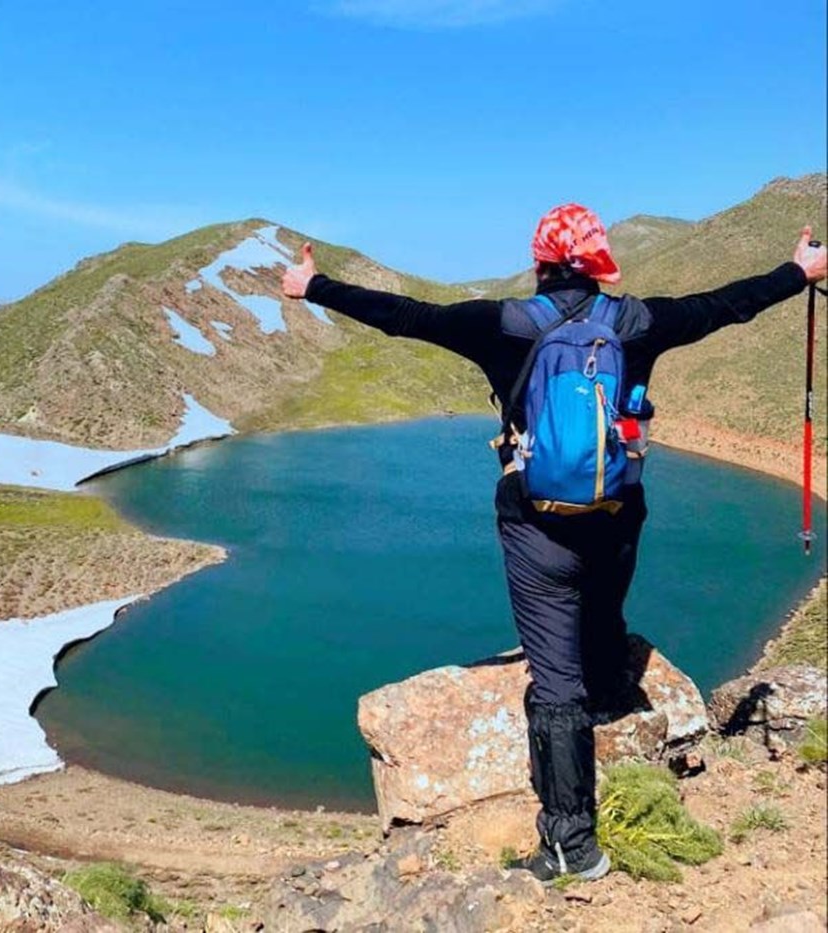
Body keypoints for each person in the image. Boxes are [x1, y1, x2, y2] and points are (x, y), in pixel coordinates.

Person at [281, 205, 828, 884]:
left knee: (554, 683)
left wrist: (316, 286)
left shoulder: (505, 324)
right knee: (602, 614)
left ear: (541, 261)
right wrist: (796, 271)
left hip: (534, 525)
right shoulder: (636, 322)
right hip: (616, 515)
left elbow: (406, 315)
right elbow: (725, 305)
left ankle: (572, 842)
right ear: (599, 261)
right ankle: (608, 682)